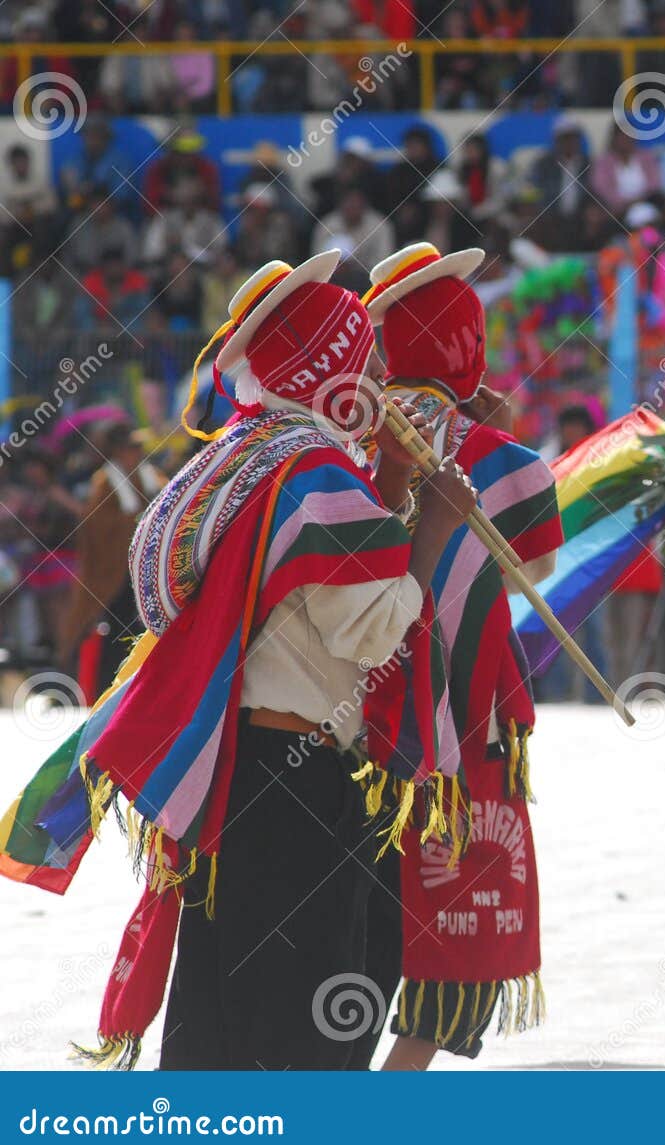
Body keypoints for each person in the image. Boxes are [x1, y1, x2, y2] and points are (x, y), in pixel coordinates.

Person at [0, 251, 479, 1069]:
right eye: (366, 356)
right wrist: (431, 527)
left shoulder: (250, 453)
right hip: (300, 778)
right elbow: (371, 631)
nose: (379, 375)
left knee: (223, 1000)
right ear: (334, 364)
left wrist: (393, 490)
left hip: (243, 769)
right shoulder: (319, 476)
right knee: (301, 1020)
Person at [361, 243, 565, 1070]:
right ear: (473, 347)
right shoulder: (506, 461)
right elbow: (537, 572)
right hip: (464, 718)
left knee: (358, 919)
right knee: (453, 926)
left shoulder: (341, 439)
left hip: (350, 721)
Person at [61, 422, 167, 700]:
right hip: (115, 573)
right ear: (118, 452)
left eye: (138, 448)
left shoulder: (153, 476)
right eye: (130, 448)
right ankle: (104, 690)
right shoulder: (105, 481)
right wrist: (130, 522)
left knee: (146, 630)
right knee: (115, 631)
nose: (136, 453)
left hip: (145, 570)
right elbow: (94, 523)